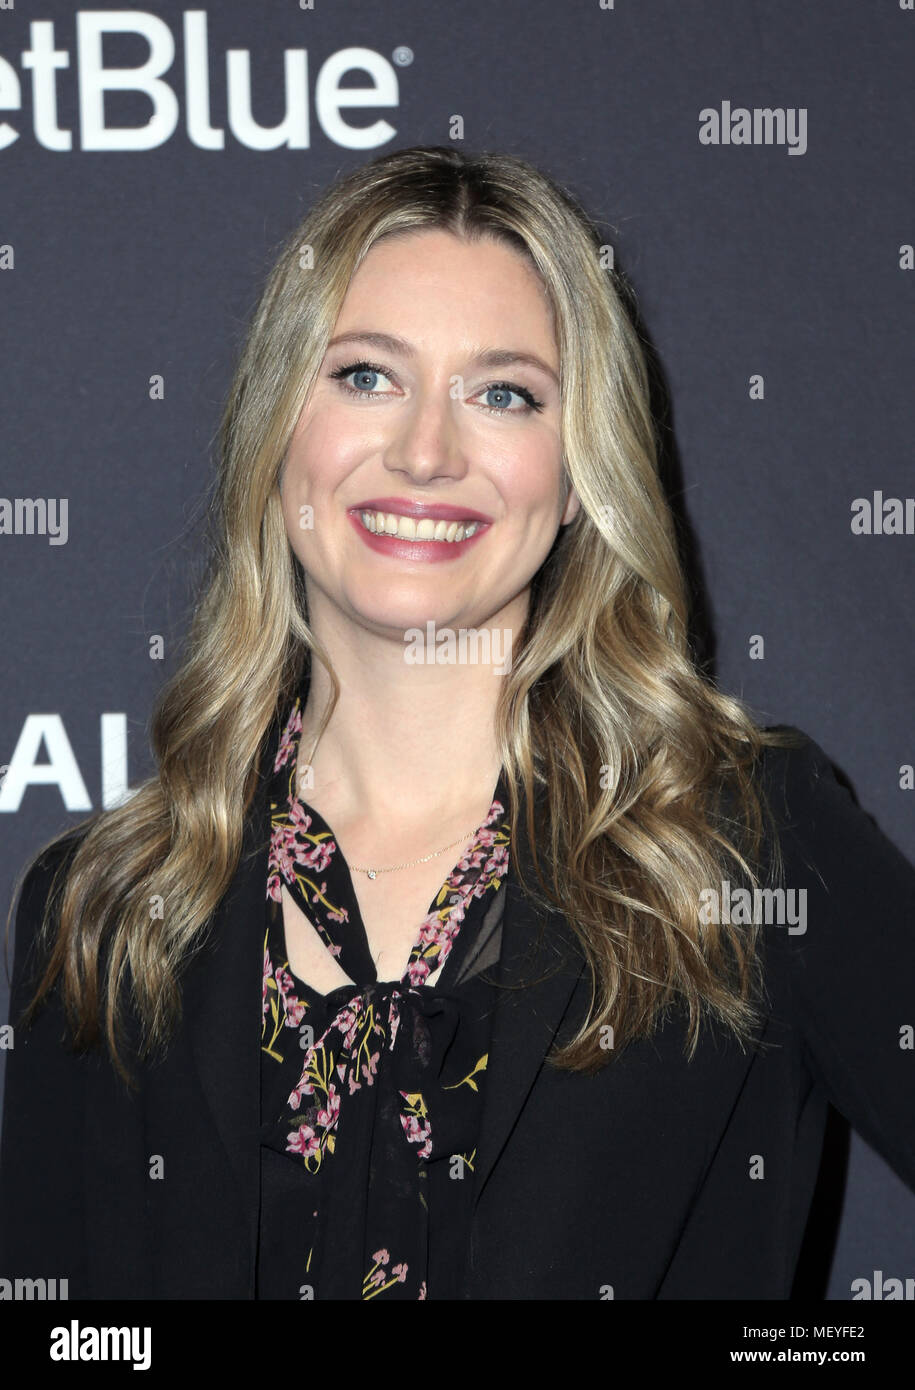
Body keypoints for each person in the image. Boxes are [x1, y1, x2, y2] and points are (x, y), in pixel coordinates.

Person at [2, 145, 914, 1301]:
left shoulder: (740, 846)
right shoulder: (108, 906)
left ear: (579, 473)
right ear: (278, 433)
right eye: (367, 376)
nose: (425, 451)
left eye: (504, 393)